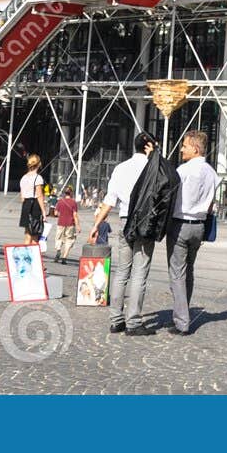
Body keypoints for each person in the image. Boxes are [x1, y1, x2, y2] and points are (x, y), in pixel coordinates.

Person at [84, 133, 164, 336]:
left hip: (125, 220)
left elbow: (109, 201)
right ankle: (134, 321)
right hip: (146, 222)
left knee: (122, 271)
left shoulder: (120, 168)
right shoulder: (155, 169)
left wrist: (96, 224)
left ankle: (116, 319)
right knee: (140, 271)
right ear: (149, 146)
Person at [165, 131, 218, 336]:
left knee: (177, 272)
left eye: (185, 146)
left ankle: (182, 321)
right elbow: (211, 203)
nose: (181, 149)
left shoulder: (183, 170)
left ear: (195, 149)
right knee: (189, 271)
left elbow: (172, 196)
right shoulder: (212, 173)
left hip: (180, 224)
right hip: (199, 225)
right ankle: (183, 313)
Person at [18, 155, 46, 244]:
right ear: (39, 164)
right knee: (35, 235)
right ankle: (34, 256)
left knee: (27, 234)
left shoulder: (24, 177)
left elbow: (22, 197)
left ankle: (25, 254)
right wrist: (44, 211)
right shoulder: (38, 178)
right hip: (34, 205)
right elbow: (39, 195)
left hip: (25, 205)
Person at [53, 187, 80, 262]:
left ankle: (58, 250)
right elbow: (75, 215)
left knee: (58, 238)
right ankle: (64, 257)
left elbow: (55, 213)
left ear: (64, 193)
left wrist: (61, 214)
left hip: (61, 222)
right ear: (71, 193)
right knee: (69, 239)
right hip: (70, 223)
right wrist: (78, 226)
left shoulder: (60, 202)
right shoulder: (73, 202)